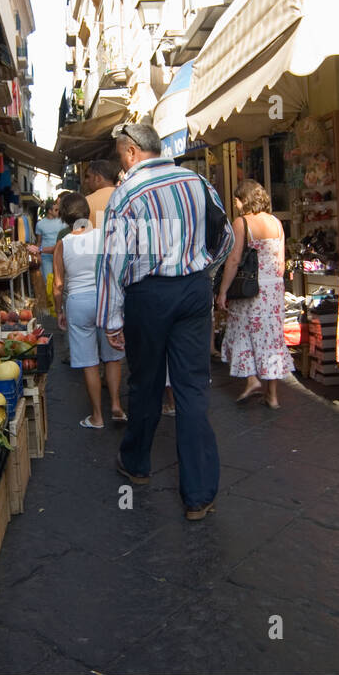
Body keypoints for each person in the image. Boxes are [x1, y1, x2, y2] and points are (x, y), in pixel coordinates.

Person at [98, 116, 233, 522]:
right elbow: (224, 236)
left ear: (131, 152)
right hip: (193, 291)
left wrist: (111, 318)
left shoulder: (125, 195)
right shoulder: (198, 183)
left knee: (147, 383)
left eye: (121, 155)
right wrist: (204, 273)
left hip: (149, 296)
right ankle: (199, 496)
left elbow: (114, 263)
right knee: (193, 390)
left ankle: (137, 464)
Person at [217, 179, 294, 409]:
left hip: (250, 288)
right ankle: (272, 395)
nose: (236, 205)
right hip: (273, 289)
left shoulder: (242, 223)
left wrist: (222, 291)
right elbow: (281, 262)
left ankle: (251, 379)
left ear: (243, 200)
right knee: (271, 338)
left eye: (237, 200)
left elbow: (233, 260)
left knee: (243, 332)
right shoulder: (276, 223)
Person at [53, 193, 126, 428]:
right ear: (87, 213)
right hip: (106, 300)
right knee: (113, 356)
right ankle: (116, 404)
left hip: (77, 302)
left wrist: (59, 311)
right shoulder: (103, 237)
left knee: (89, 361)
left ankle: (97, 416)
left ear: (64, 217)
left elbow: (58, 285)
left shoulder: (62, 245)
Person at [35, 200, 66, 314]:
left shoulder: (62, 223)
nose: (58, 212)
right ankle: (51, 308)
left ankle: (59, 306)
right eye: (56, 210)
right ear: (49, 211)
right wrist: (38, 255)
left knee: (60, 281)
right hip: (46, 257)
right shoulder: (40, 224)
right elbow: (39, 241)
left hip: (59, 255)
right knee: (48, 281)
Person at [83, 160, 121, 229]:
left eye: (88, 177)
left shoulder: (86, 202)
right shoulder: (126, 196)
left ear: (98, 178)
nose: (86, 181)